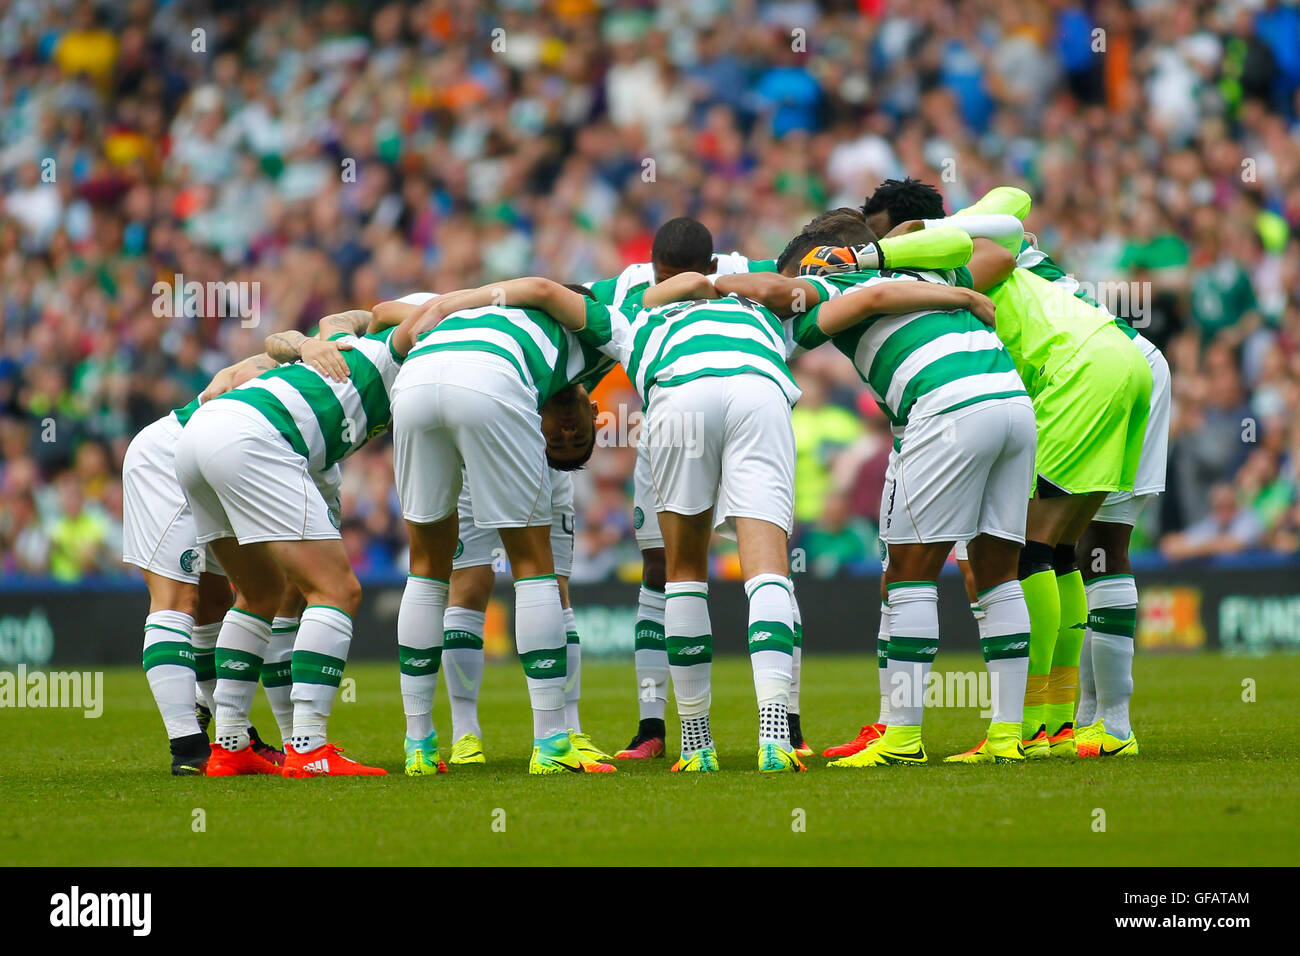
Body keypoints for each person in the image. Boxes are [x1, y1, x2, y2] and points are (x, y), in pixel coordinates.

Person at [390, 278, 628, 775]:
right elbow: (552, 289)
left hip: (414, 385)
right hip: (493, 391)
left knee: (425, 568)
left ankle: (419, 744)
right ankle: (551, 743)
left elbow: (381, 315)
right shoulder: (597, 329)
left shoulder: (488, 314)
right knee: (531, 567)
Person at [174, 310, 414, 777]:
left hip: (199, 436)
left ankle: (229, 744)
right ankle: (308, 746)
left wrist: (317, 338)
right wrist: (489, 300)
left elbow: (325, 324)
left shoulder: (346, 347)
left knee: (259, 595)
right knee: (337, 591)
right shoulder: (393, 350)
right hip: (251, 435)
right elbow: (423, 316)